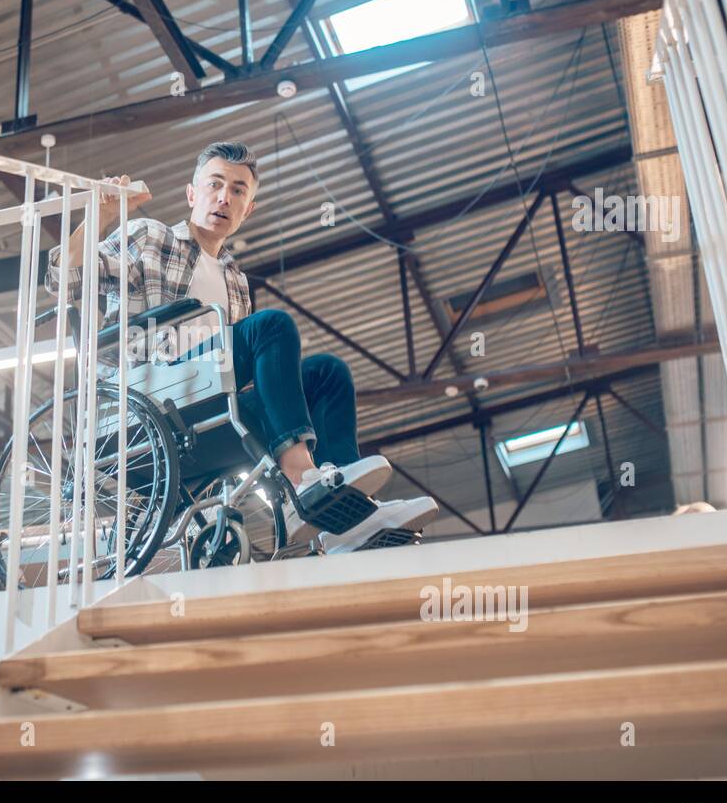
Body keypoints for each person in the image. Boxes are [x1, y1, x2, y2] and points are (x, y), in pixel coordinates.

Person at [46, 141, 439, 552]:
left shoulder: (235, 280)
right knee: (271, 326)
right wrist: (102, 215)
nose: (224, 198)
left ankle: (343, 507)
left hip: (210, 413)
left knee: (326, 372)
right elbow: (65, 281)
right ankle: (302, 478)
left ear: (247, 208)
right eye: (215, 185)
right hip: (151, 405)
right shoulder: (149, 237)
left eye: (237, 191)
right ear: (191, 194)